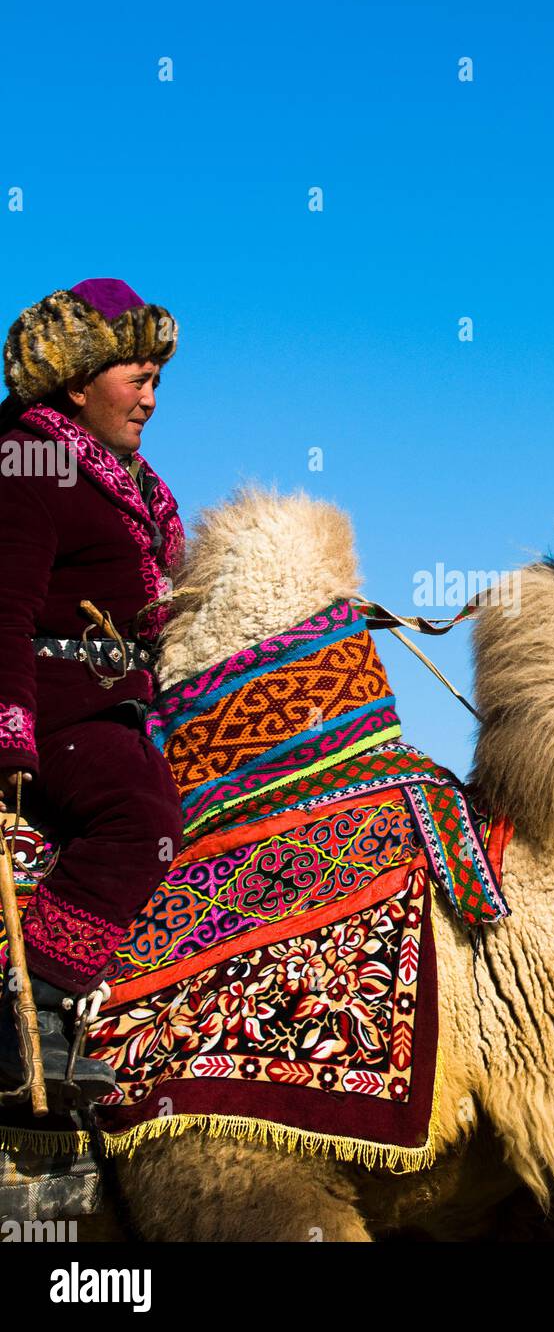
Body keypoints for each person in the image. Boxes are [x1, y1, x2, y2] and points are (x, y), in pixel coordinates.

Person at [0, 278, 185, 1109]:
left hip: (123, 706)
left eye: (156, 380)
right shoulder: (26, 463)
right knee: (139, 816)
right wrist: (8, 732)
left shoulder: (134, 486)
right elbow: (1, 603)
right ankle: (30, 1010)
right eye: (134, 379)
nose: (150, 399)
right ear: (77, 382)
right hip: (57, 704)